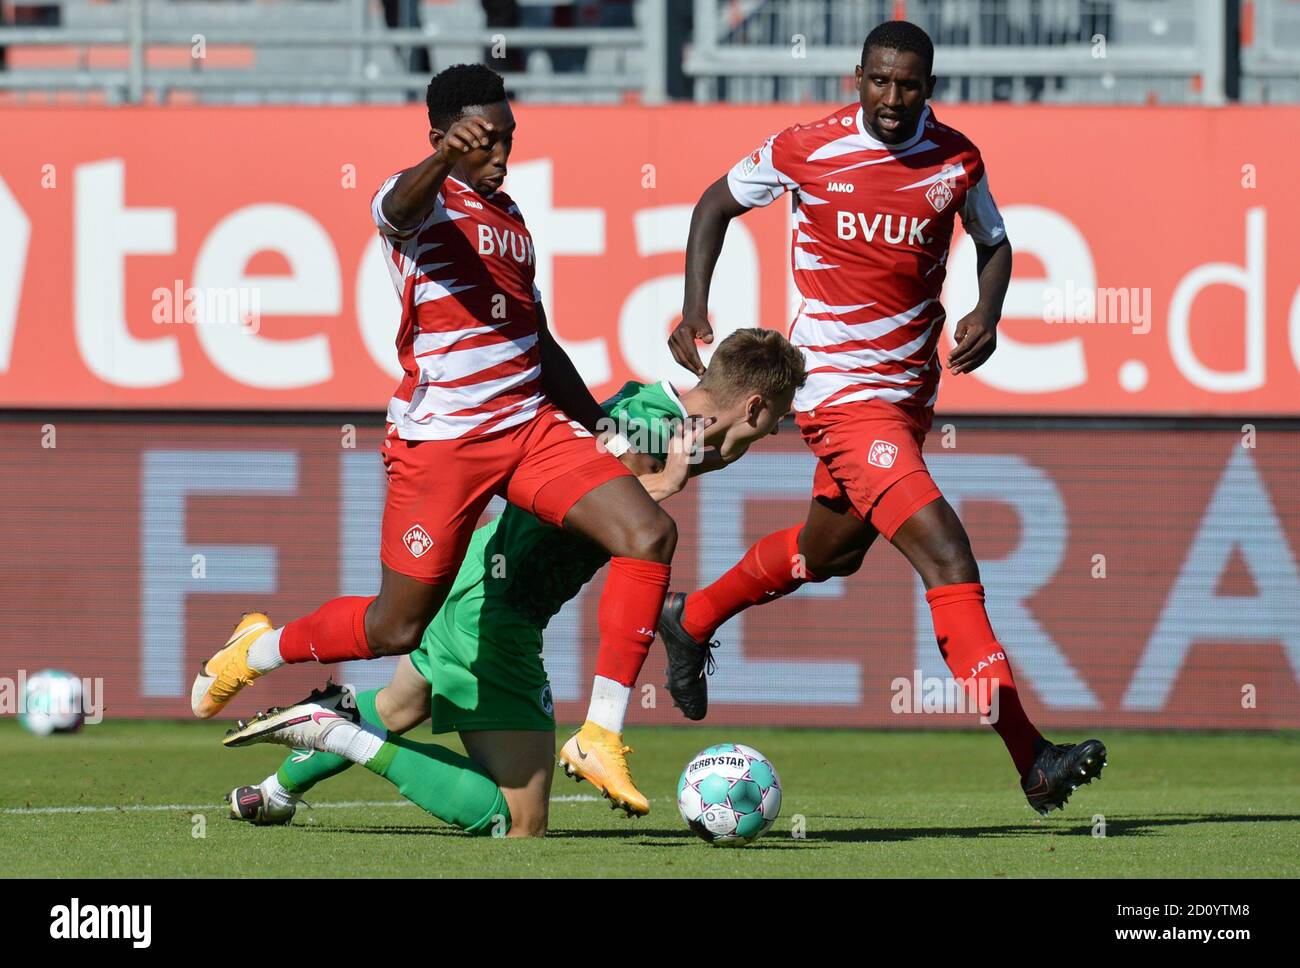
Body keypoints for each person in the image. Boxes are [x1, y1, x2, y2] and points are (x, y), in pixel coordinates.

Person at [193, 64, 679, 811]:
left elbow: (539, 341)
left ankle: (601, 734)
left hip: (529, 427)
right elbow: (393, 205)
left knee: (647, 533)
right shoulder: (417, 200)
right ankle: (257, 648)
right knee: (395, 627)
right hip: (444, 442)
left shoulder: (512, 221)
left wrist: (598, 421)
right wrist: (445, 160)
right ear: (443, 137)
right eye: (485, 140)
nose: (500, 154)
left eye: (507, 139)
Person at [659, 21, 1106, 815]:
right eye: (880, 81)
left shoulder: (956, 158)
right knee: (948, 553)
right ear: (857, 75)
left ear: (928, 86)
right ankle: (1032, 757)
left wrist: (988, 310)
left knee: (827, 554)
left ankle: (690, 618)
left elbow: (995, 240)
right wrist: (696, 305)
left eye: (910, 85)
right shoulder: (806, 148)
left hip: (906, 398)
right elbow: (713, 205)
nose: (893, 99)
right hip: (837, 396)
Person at [223, 330, 807, 833]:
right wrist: (665, 488)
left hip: (472, 577)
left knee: (400, 706)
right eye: (776, 419)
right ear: (753, 407)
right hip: (498, 611)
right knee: (519, 820)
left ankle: (272, 792)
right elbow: (610, 517)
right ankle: (335, 731)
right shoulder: (649, 430)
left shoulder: (647, 407)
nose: (771, 432)